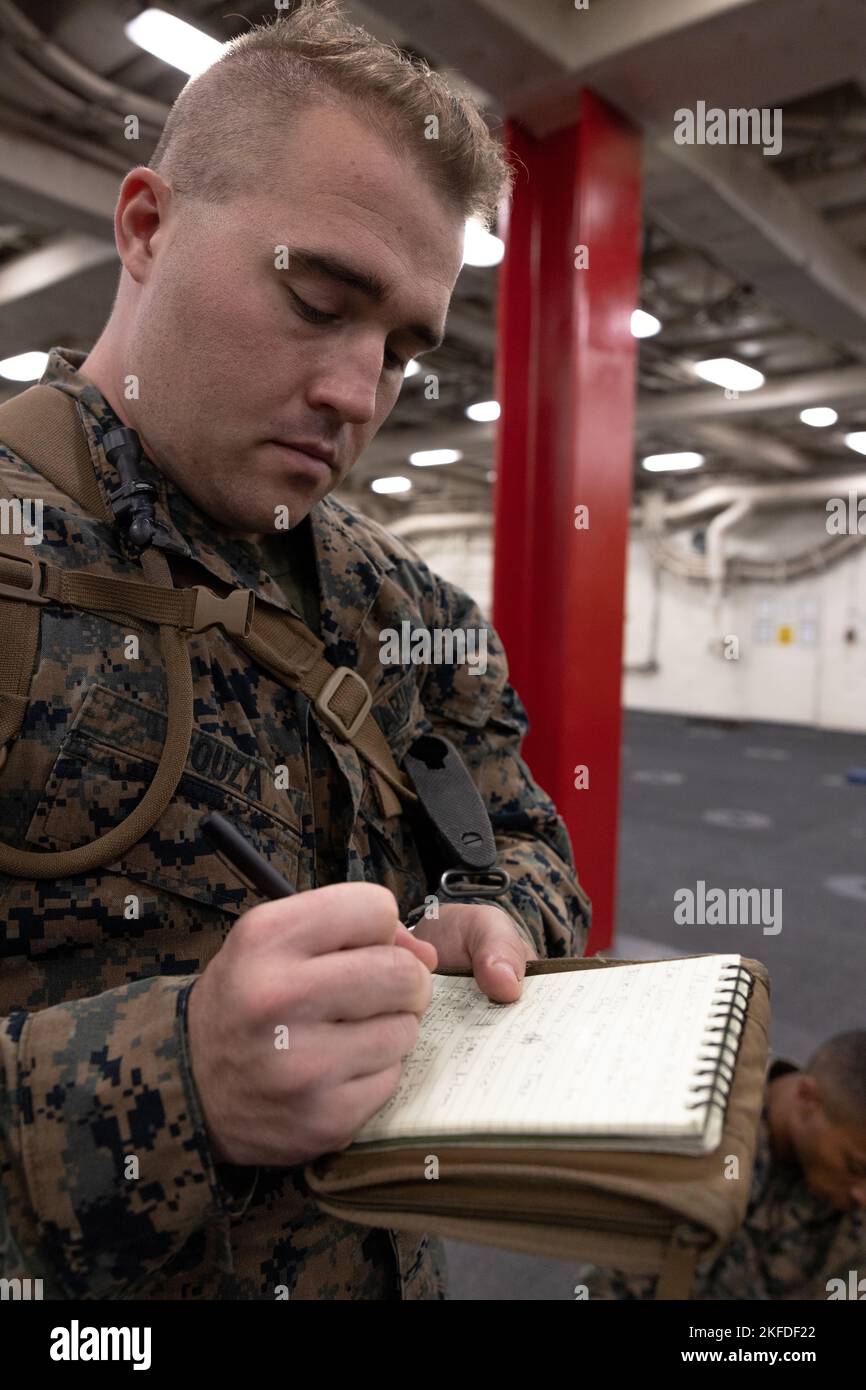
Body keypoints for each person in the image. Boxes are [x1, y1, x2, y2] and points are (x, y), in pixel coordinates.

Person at [0, 2, 590, 1300]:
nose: (354, 390)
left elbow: (539, 850)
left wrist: (495, 922)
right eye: (318, 298)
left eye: (400, 350)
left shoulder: (408, 610)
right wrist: (175, 1075)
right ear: (146, 226)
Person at [579, 1032, 866, 1300]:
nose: (862, 1196)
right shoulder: (693, 1128)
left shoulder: (845, 1191)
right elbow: (614, 1276)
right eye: (855, 1167)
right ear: (806, 1098)